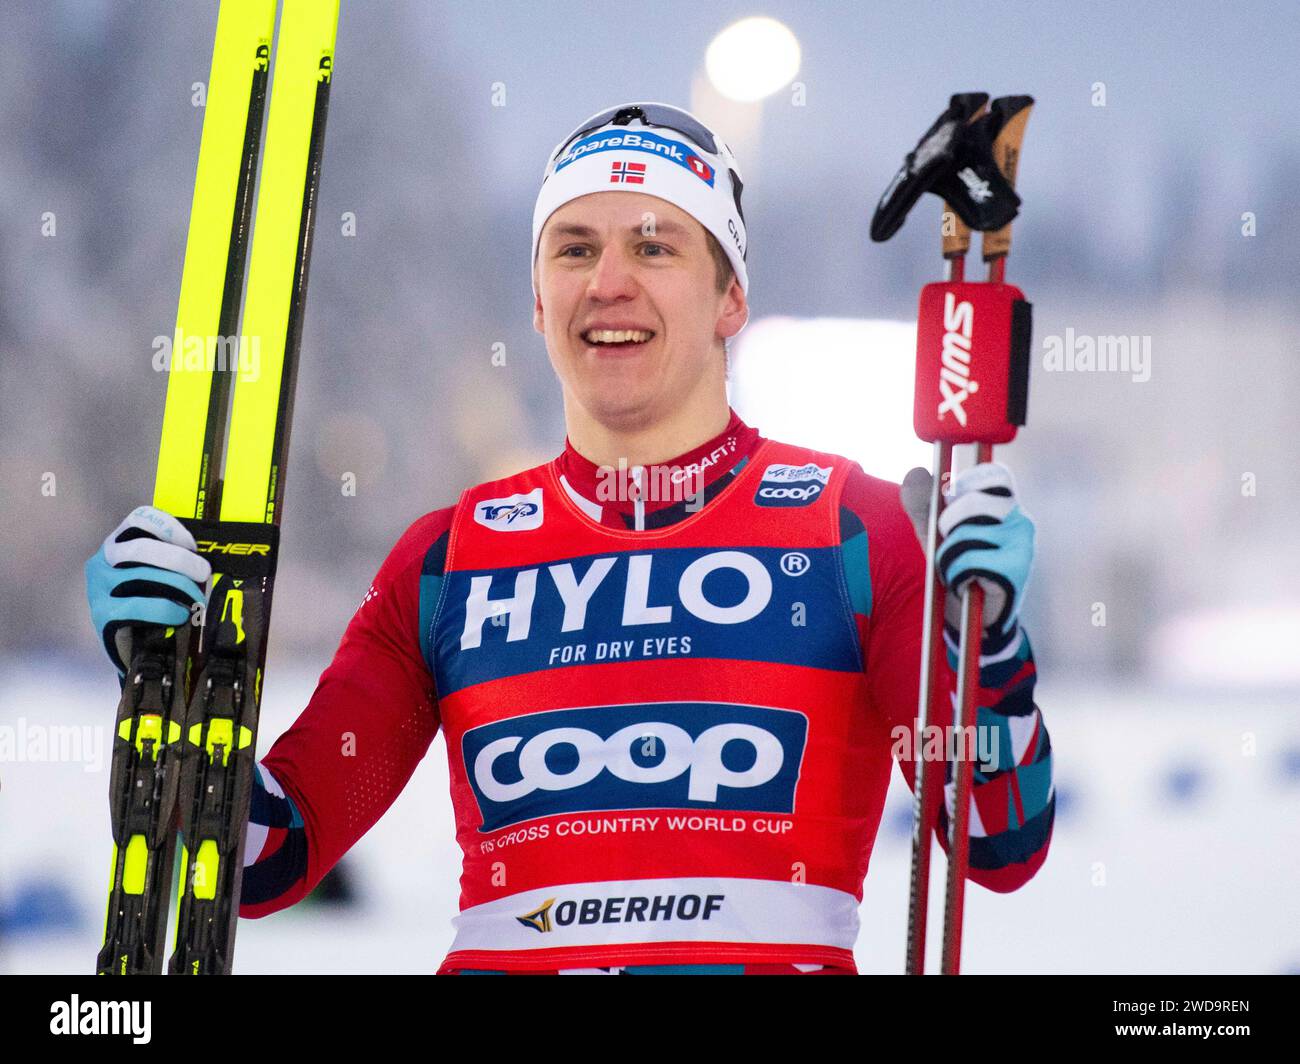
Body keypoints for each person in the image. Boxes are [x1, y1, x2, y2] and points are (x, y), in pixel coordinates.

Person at [87, 103, 1053, 975]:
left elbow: (995, 840)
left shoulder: (857, 528)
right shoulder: (450, 560)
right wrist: (167, 686)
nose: (611, 284)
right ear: (539, 302)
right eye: (575, 249)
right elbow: (266, 856)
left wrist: (991, 649)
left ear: (731, 300)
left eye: (657, 247)